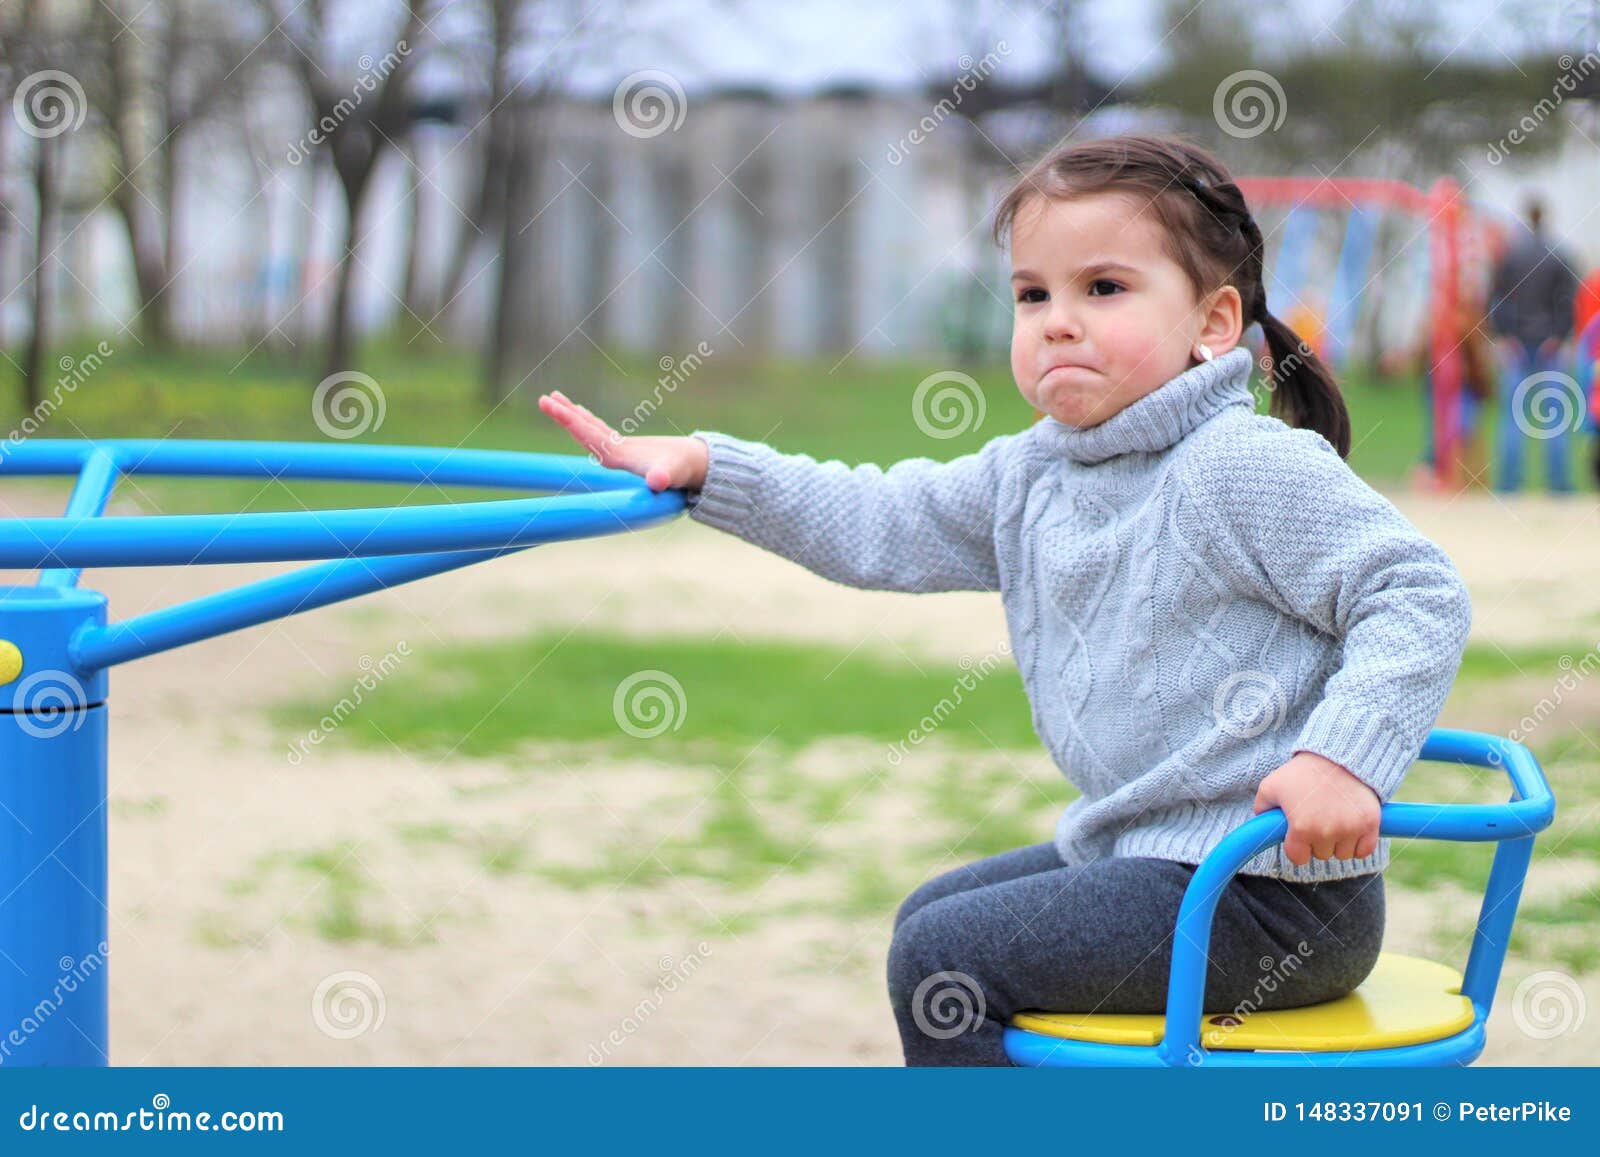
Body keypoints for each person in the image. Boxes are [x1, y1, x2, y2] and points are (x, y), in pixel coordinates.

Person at [536, 134, 1473, 1066]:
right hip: (1152, 859)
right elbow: (880, 517)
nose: (1058, 319)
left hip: (1273, 891)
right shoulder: (1034, 474)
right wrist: (709, 466)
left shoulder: (1241, 464)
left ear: (1214, 323)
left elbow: (1417, 591)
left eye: (1103, 288)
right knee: (931, 918)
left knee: (947, 958)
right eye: (1034, 294)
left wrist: (1342, 758)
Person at [1488, 196, 1581, 493]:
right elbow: (1569, 302)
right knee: (1556, 415)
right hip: (1549, 346)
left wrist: (1504, 336)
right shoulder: (1560, 255)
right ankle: (1558, 484)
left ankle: (1508, 485)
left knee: (1512, 417)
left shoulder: (1510, 255)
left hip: (1517, 345)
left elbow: (1496, 300)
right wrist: (1559, 335)